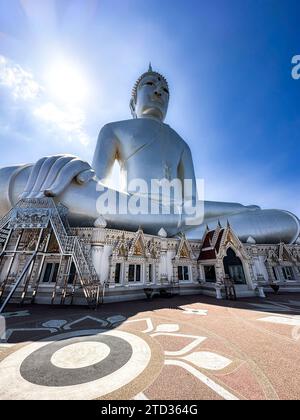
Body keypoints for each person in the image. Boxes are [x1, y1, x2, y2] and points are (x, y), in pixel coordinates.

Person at [0, 65, 299, 243]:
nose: (158, 91)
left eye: (165, 89)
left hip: (179, 214)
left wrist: (240, 209)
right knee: (25, 181)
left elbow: (190, 204)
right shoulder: (114, 129)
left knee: (282, 219)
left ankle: (192, 238)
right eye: (150, 84)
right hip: (126, 206)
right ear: (133, 103)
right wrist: (73, 171)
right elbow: (96, 183)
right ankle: (193, 235)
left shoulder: (182, 144)